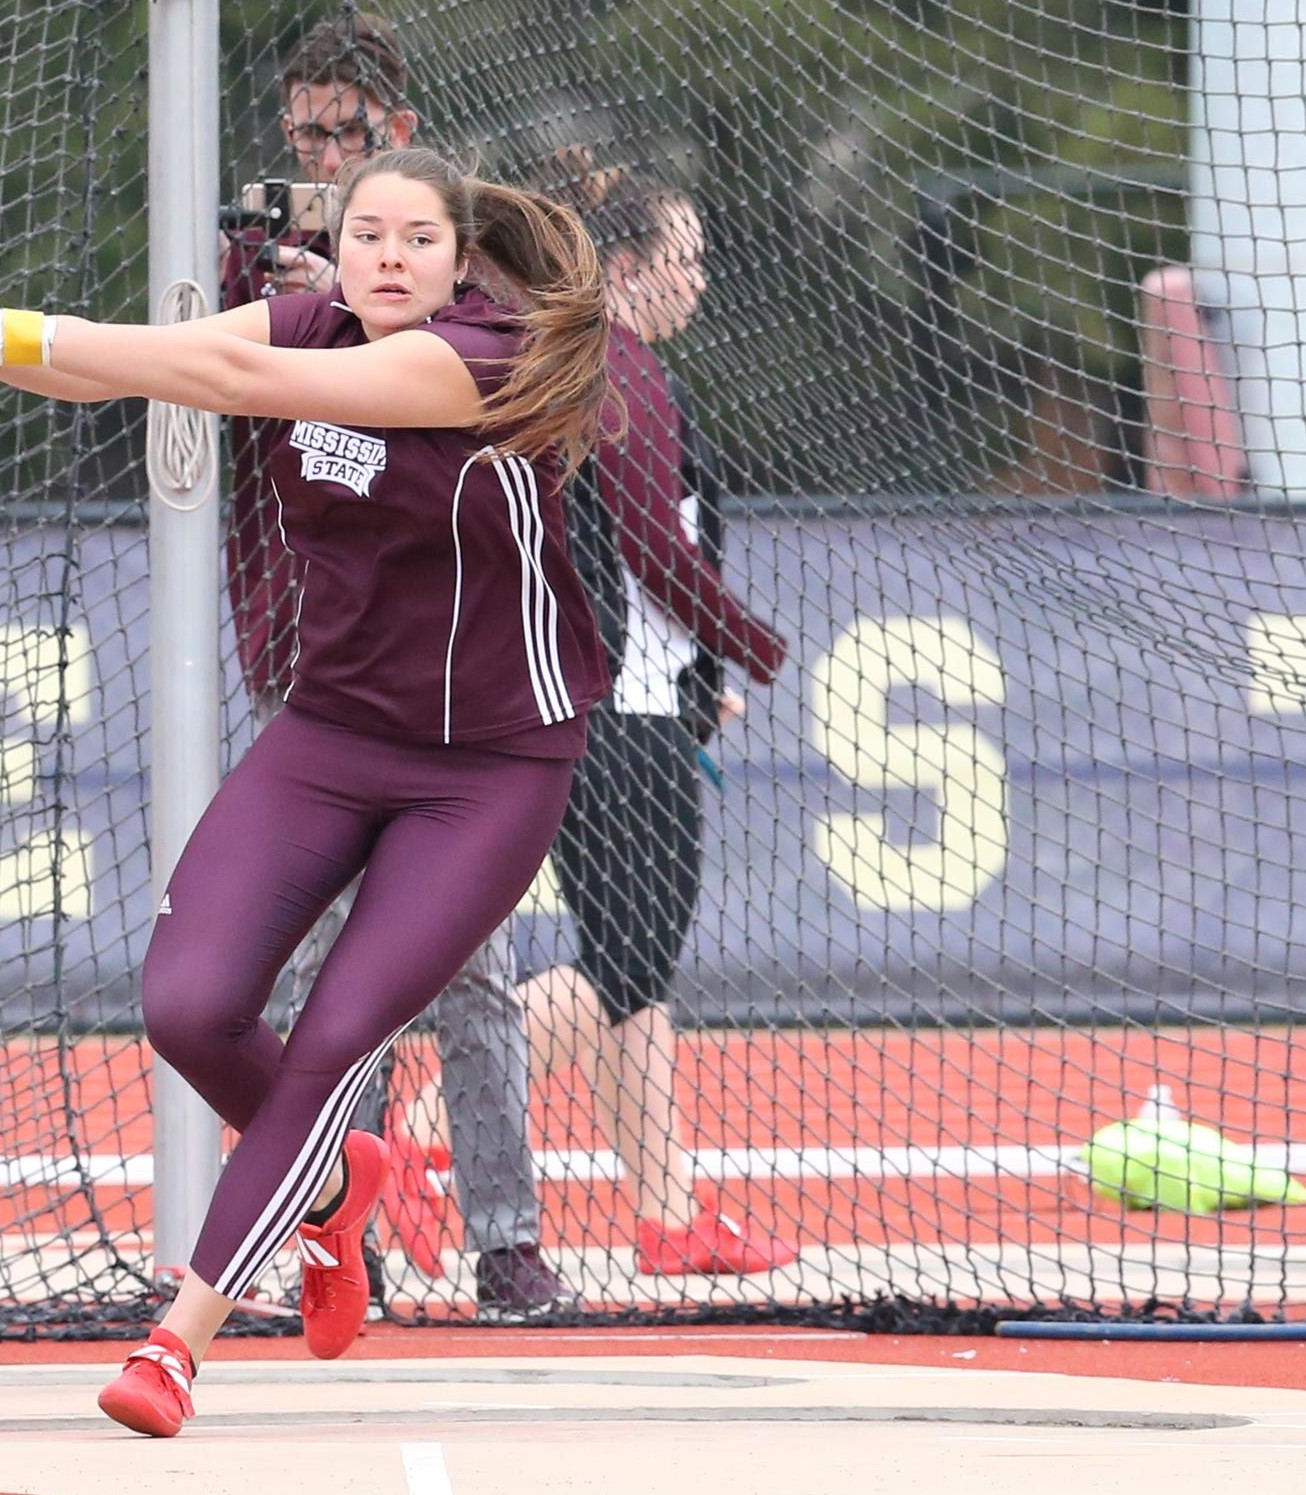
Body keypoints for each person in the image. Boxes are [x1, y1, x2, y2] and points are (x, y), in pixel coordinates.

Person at [0, 147, 612, 1436]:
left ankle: (178, 1340)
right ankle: (336, 1187)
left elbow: (227, 377)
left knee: (338, 1035)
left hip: (489, 770)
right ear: (337, 250)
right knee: (190, 1005)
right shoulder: (307, 318)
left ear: (459, 260)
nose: (389, 256)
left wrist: (8, 324)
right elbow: (118, 368)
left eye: (417, 239)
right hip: (331, 735)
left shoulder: (472, 356)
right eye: (367, 234)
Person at [219, 11, 570, 1322]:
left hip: (448, 686)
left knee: (467, 963)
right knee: (313, 964)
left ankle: (506, 1237)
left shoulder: (459, 288)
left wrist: (351, 272)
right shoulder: (264, 282)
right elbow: (205, 364)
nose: (316, 156)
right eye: (302, 133)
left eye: (343, 139)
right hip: (307, 667)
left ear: (399, 144)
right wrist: (263, 281)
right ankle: (329, 1224)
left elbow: (500, 355)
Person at [505, 160, 797, 1276]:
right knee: (628, 961)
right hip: (616, 717)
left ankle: (669, 1213)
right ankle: (423, 1134)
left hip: (616, 703)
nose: (701, 277)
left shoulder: (598, 368)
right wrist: (743, 646)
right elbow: (650, 554)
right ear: (626, 269)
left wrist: (694, 671)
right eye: (686, 255)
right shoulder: (615, 372)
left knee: (638, 980)